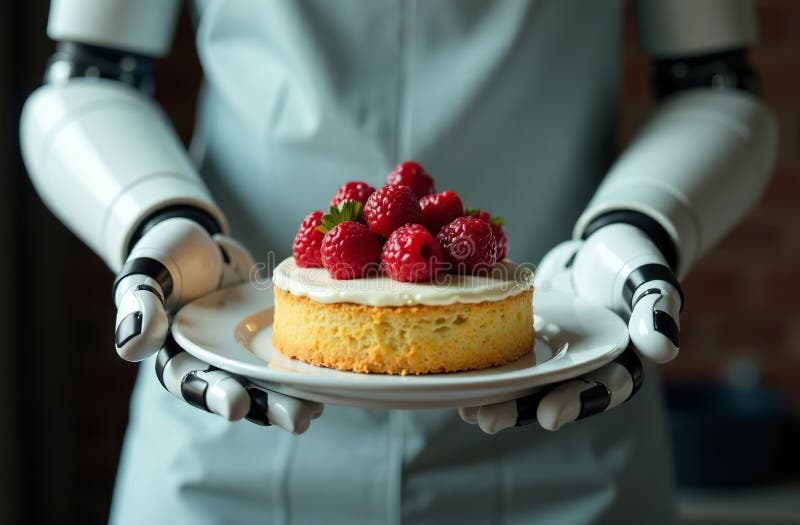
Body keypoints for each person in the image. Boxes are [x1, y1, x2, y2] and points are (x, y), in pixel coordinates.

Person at [20, 0, 776, 523]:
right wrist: (158, 221)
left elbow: (713, 79)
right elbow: (91, 70)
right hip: (230, 420)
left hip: (564, 409)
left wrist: (635, 228)